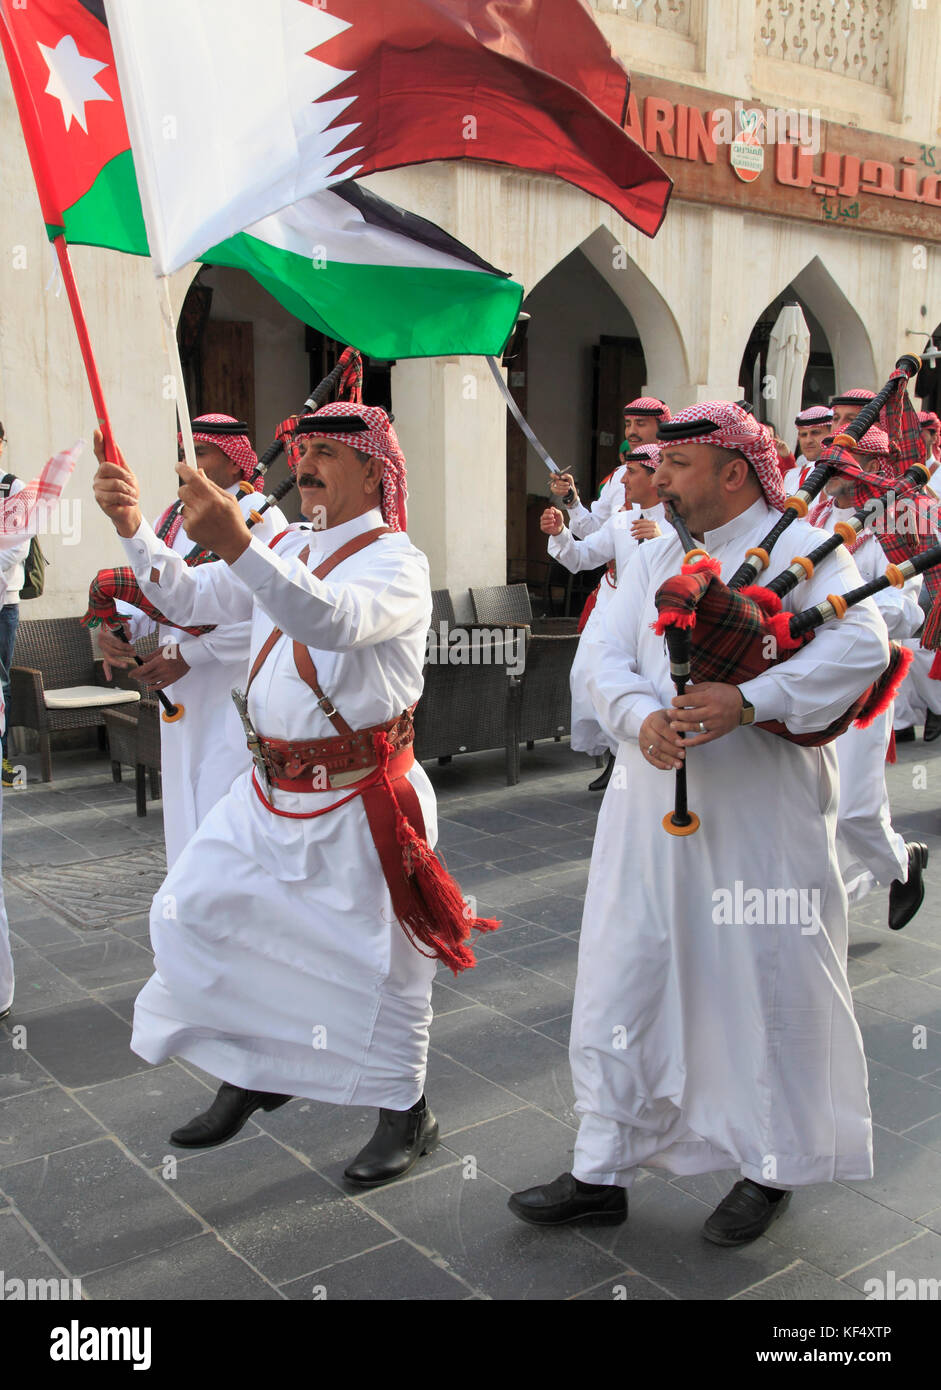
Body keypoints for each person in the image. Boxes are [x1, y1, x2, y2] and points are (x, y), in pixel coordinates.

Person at [509, 402, 889, 1244]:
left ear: (731, 472)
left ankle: (770, 1166)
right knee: (624, 972)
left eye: (675, 468)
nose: (656, 480)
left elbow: (863, 644)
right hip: (648, 808)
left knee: (765, 980)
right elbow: (601, 651)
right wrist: (638, 715)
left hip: (761, 814)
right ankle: (600, 1165)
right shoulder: (647, 548)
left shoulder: (804, 546)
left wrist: (750, 701)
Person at [92, 404, 493, 1185]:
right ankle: (259, 1064)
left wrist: (238, 542)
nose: (304, 465)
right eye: (301, 451)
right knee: (199, 911)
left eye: (326, 454)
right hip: (266, 791)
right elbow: (189, 596)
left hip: (361, 799)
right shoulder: (284, 542)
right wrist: (136, 526)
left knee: (384, 967)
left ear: (374, 470)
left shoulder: (396, 563)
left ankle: (405, 1115)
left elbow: (330, 619)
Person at [96, 416, 287, 867]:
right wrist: (115, 628)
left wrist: (189, 654)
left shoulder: (262, 517)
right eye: (185, 454)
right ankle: (190, 903)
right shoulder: (171, 517)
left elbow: (272, 620)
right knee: (184, 802)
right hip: (179, 699)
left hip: (231, 690)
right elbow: (165, 592)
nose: (188, 466)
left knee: (226, 799)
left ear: (236, 461)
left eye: (200, 454)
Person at [808, 427, 928, 929]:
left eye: (843, 466)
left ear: (873, 469)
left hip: (865, 680)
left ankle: (902, 865)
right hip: (810, 677)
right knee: (814, 808)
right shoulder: (814, 516)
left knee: (855, 809)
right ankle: (817, 915)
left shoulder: (899, 527)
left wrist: (841, 608)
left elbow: (907, 614)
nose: (830, 475)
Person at [541, 443, 664, 789]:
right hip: (625, 621)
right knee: (593, 679)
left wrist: (660, 539)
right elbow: (583, 557)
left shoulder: (682, 523)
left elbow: (699, 563)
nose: (623, 480)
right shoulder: (621, 522)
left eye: (633, 473)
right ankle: (619, 761)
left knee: (654, 690)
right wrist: (560, 533)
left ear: (656, 477)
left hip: (663, 627)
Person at [548, 398, 671, 539]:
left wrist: (659, 540)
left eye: (640, 424)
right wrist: (571, 498)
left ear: (661, 428)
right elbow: (593, 532)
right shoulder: (618, 476)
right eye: (628, 424)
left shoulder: (677, 476)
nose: (631, 432)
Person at [0, 422, 32, 788]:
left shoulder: (12, 488)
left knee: (1, 684)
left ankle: (4, 761)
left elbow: (17, 546)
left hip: (3, 602)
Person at [781, 405, 834, 495]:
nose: (808, 441)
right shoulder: (790, 476)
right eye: (803, 434)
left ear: (832, 434)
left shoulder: (840, 478)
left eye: (815, 433)